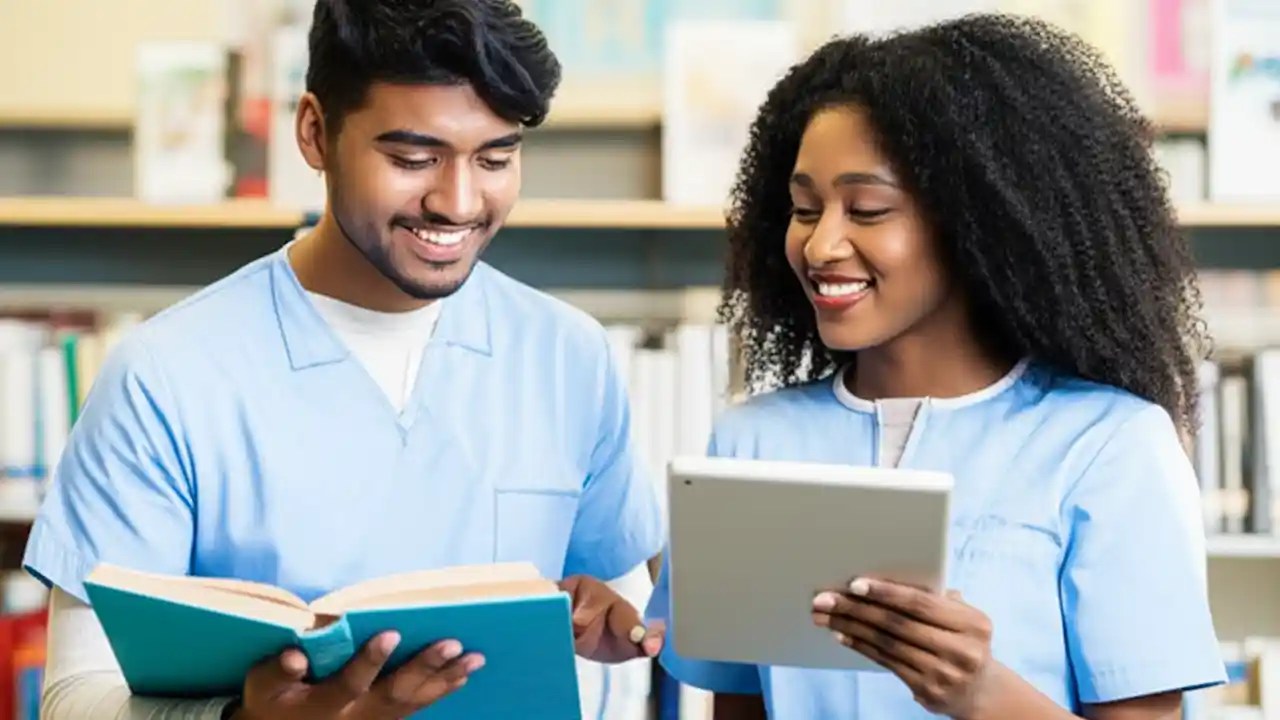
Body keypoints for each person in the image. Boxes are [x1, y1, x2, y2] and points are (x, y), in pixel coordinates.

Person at [24, 1, 665, 718]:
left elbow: (622, 604)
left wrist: (615, 620)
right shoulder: (164, 376)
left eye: (495, 159)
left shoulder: (568, 358)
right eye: (413, 159)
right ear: (314, 132)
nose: (458, 202)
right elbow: (73, 699)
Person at [647, 12, 1227, 720]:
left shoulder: (1107, 446)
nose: (821, 245)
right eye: (804, 208)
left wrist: (981, 694)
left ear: (977, 222)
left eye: (867, 209)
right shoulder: (751, 445)